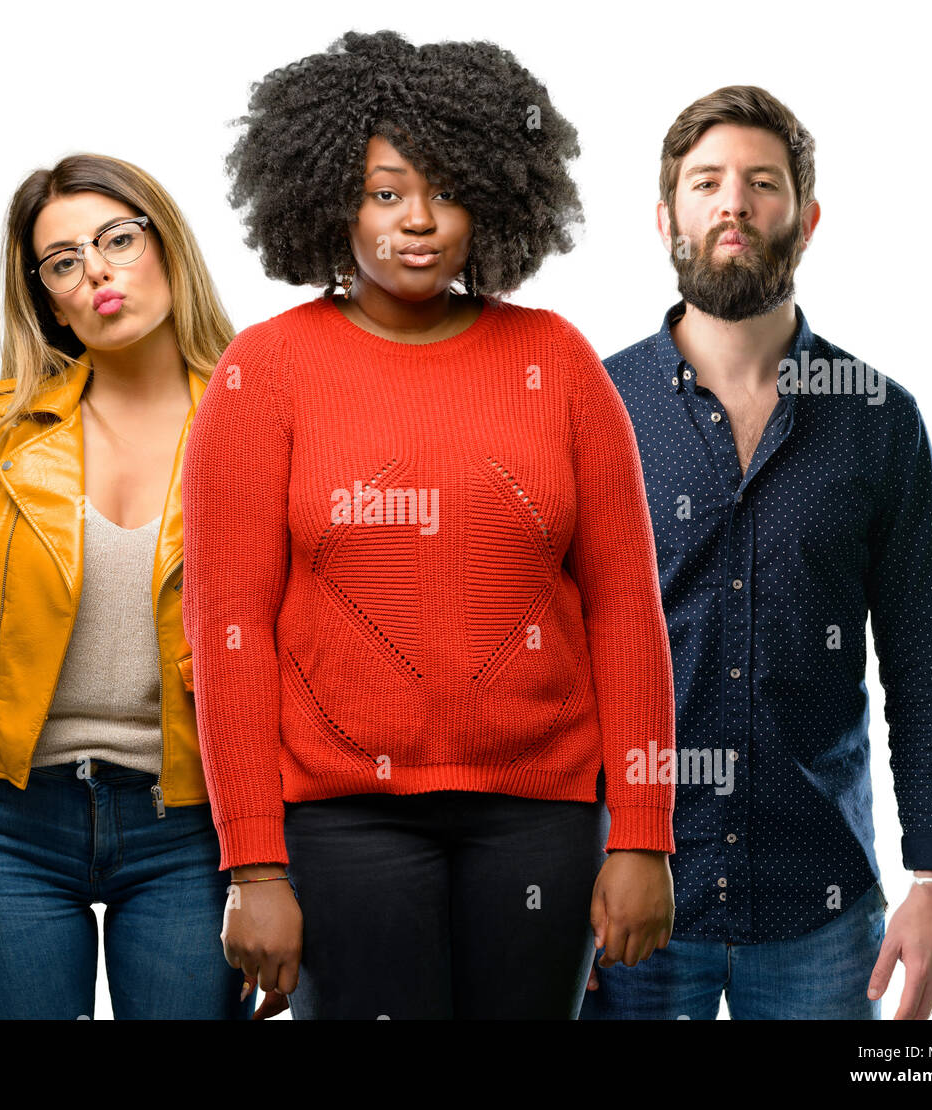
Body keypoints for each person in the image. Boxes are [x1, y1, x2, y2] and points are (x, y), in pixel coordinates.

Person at [181, 29, 677, 1020]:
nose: (418, 222)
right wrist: (252, 864)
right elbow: (227, 631)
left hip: (540, 820)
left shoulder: (557, 361)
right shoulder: (263, 372)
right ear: (329, 198)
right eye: (384, 191)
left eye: (446, 191)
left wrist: (643, 834)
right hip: (339, 823)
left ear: (492, 198)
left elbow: (627, 611)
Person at [579, 86, 932, 1021]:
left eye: (762, 183)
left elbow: (927, 668)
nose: (734, 204)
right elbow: (544, 665)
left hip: (822, 910)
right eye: (706, 182)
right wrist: (550, 878)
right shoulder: (593, 407)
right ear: (666, 216)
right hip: (629, 896)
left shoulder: (880, 420)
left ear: (806, 220)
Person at [0, 153, 253, 1019]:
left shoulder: (254, 419)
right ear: (48, 297)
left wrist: (284, 870)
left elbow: (297, 654)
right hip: (10, 826)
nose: (99, 271)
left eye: (118, 238)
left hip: (191, 825)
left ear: (168, 248)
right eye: (64, 261)